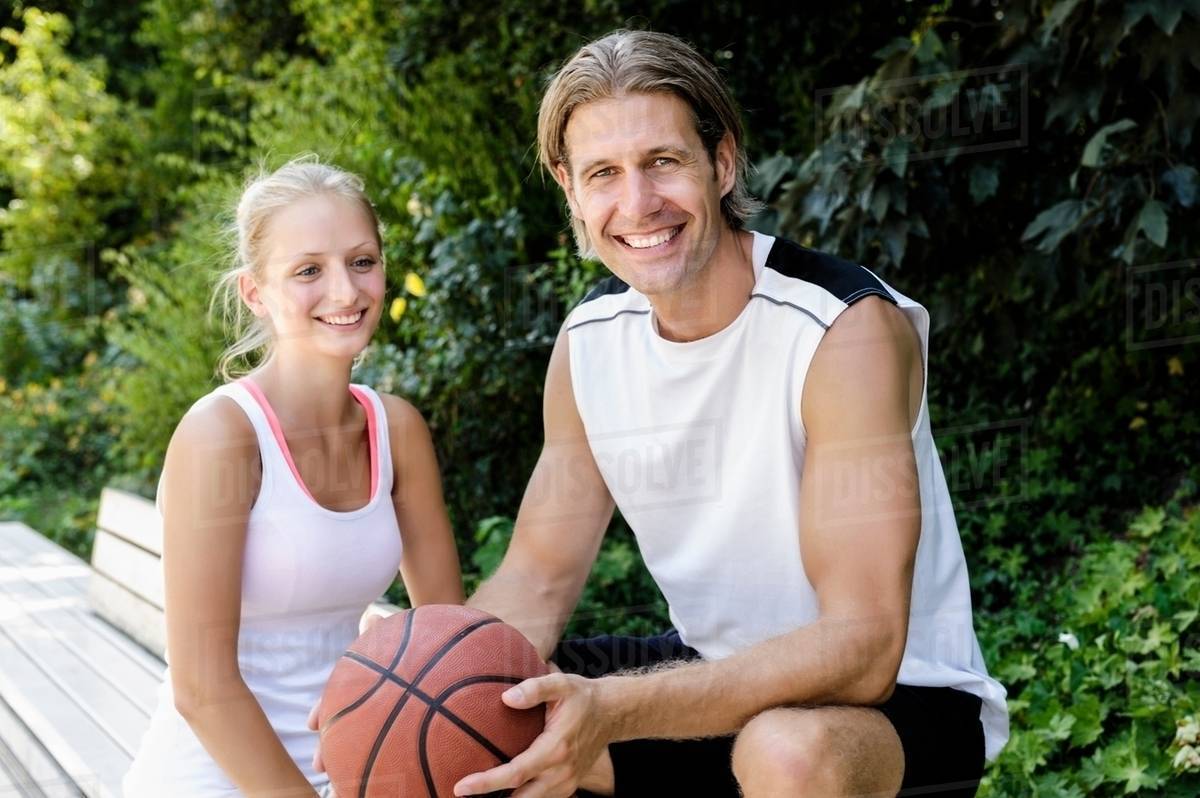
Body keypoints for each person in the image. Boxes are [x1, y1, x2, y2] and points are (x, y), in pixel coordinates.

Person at [450, 30, 1008, 798]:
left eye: (664, 162)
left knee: (783, 751)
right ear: (569, 188)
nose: (638, 203)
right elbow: (537, 580)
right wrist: (433, 666)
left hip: (895, 710)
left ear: (722, 162)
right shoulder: (588, 345)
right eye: (604, 174)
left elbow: (865, 646)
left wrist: (615, 710)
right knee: (463, 716)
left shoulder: (842, 331)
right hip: (713, 676)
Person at [123, 158, 463, 798]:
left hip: (359, 766)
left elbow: (445, 636)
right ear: (256, 292)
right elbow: (202, 689)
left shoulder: (398, 429)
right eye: (308, 270)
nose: (345, 292)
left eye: (362, 261)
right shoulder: (222, 436)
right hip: (217, 778)